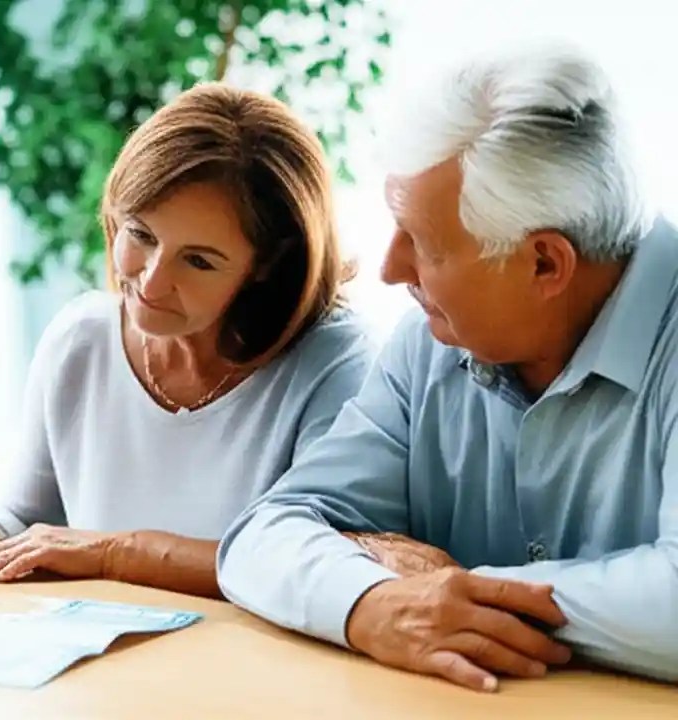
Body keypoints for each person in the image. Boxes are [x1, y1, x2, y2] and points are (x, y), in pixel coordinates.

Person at [217, 43, 678, 690]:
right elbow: (262, 536)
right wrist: (371, 602)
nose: (389, 269)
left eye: (425, 244)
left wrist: (453, 597)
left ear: (545, 263)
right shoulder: (427, 344)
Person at [0, 83, 373, 598]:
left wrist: (115, 553)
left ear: (268, 263)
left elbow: (326, 566)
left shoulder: (335, 362)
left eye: (198, 261)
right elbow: (27, 518)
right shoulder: (80, 340)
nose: (151, 284)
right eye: (141, 235)